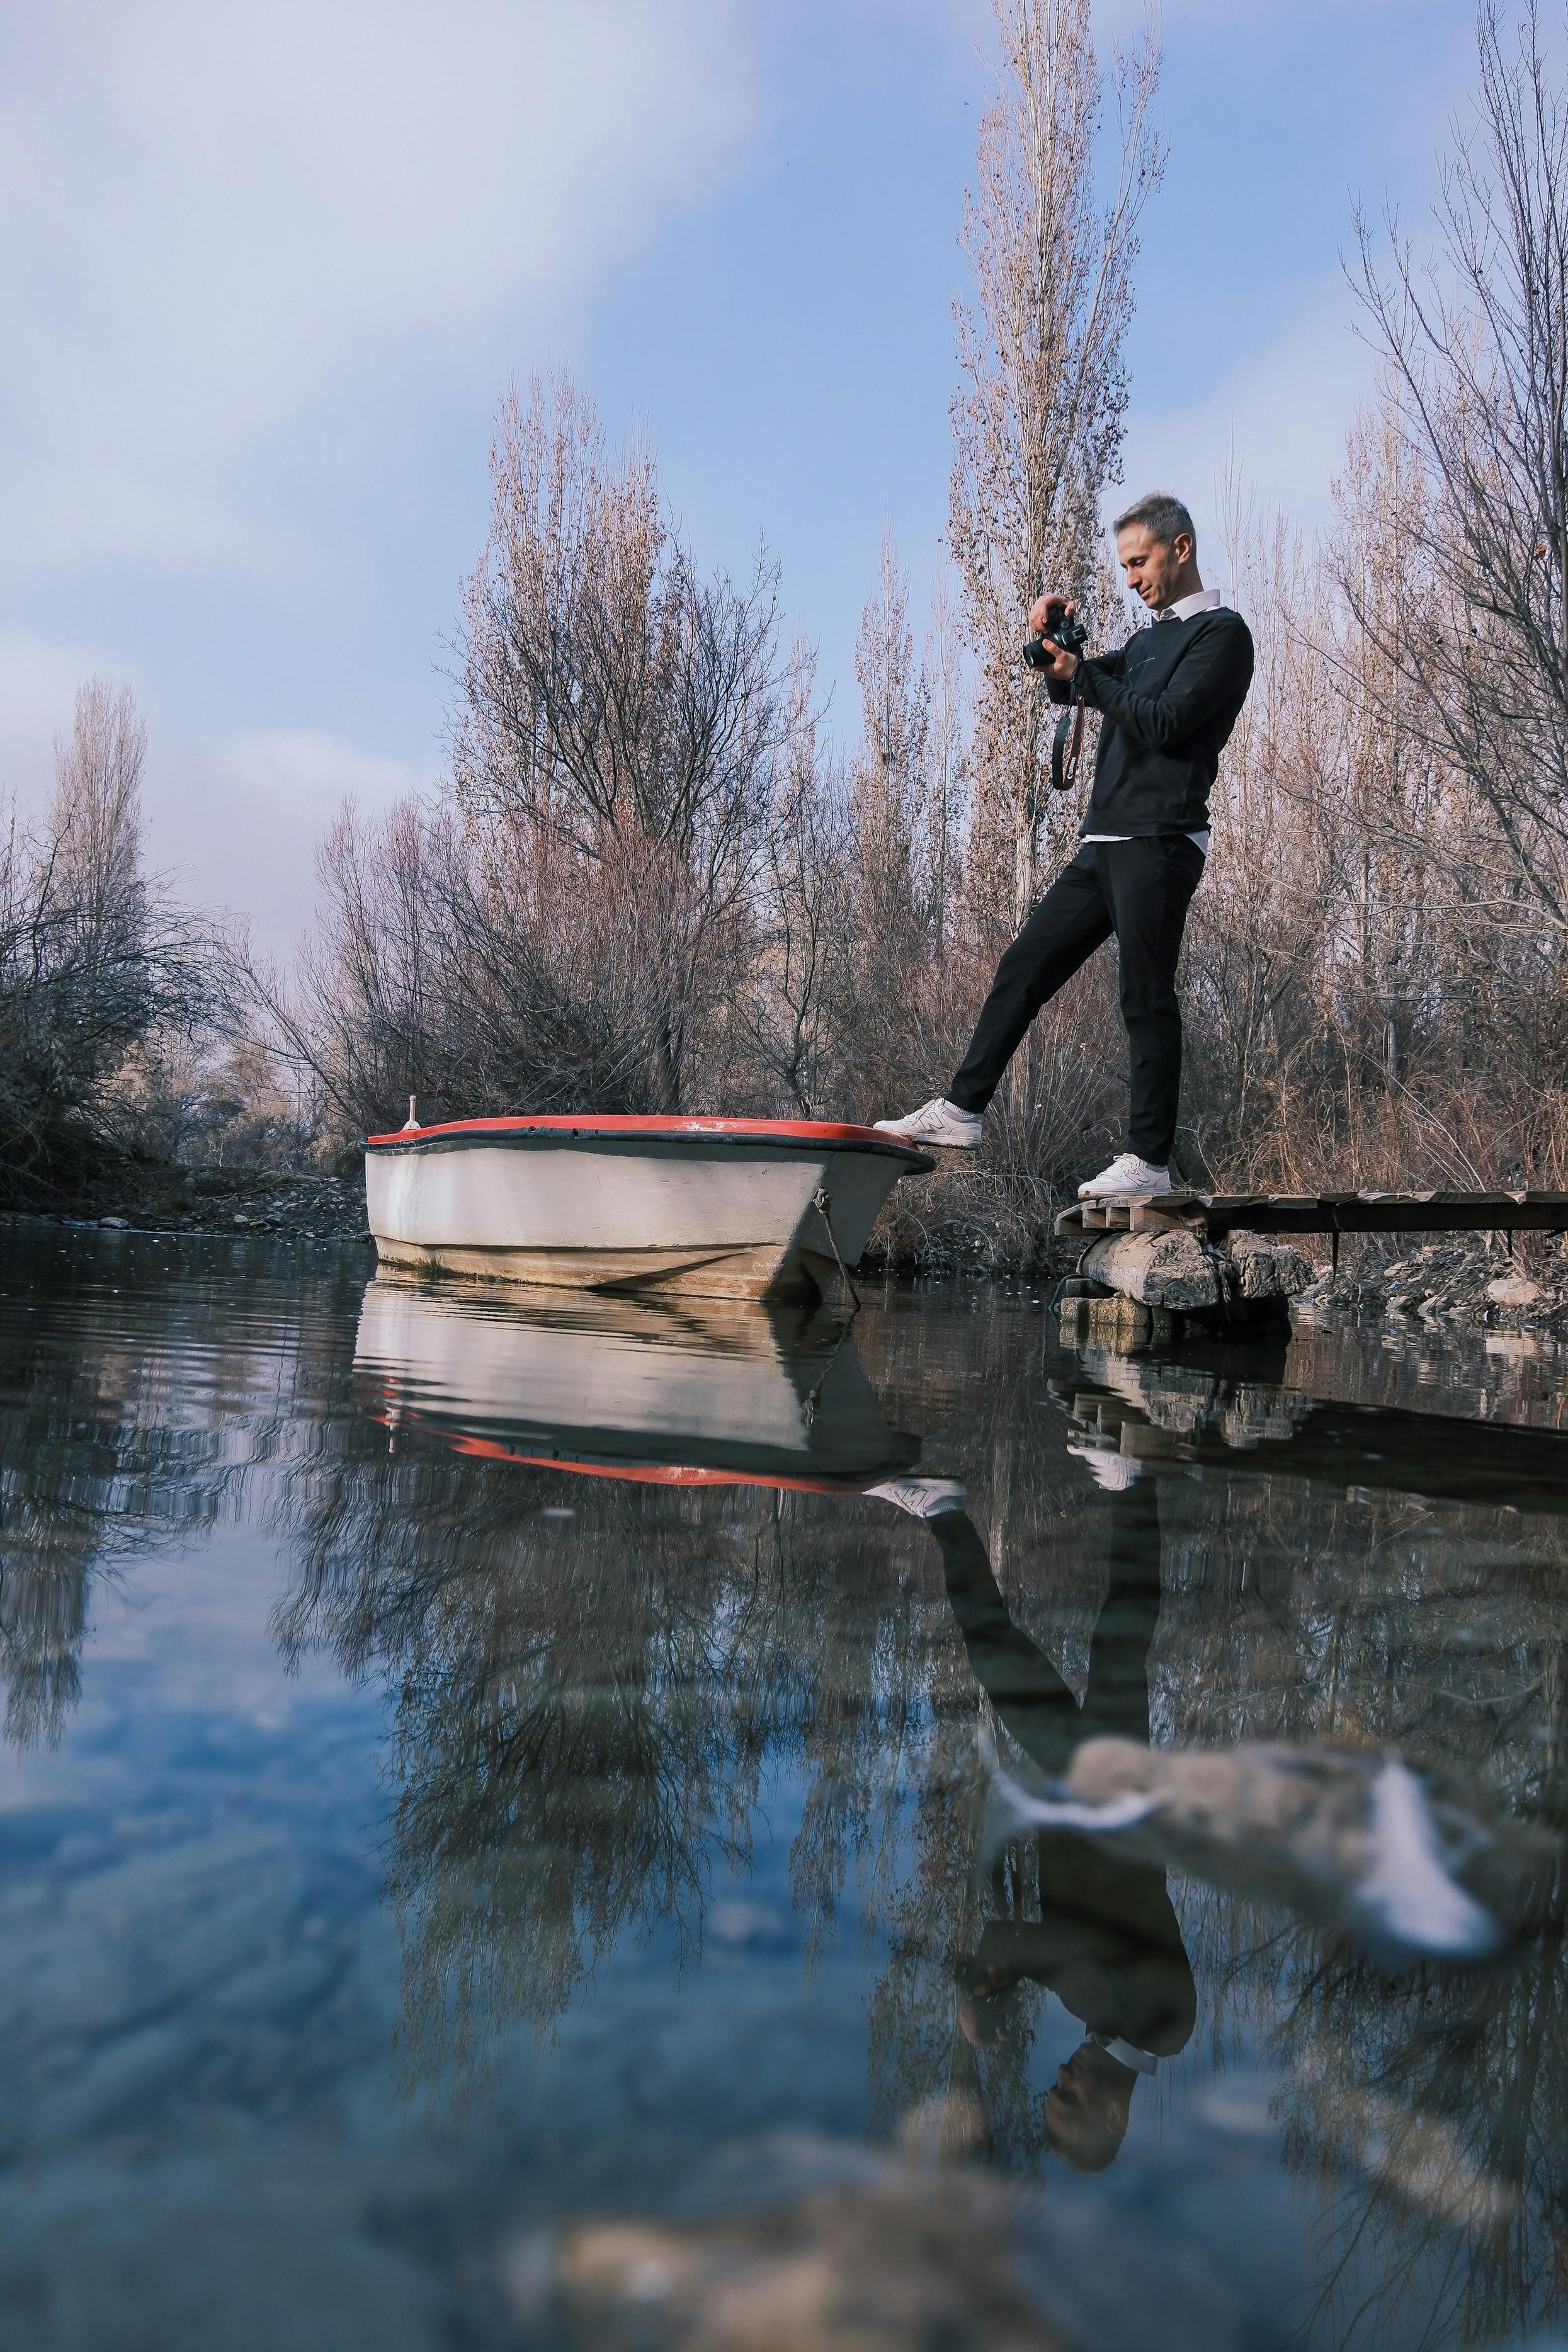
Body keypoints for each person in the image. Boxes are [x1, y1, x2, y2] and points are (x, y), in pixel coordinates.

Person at [874, 492, 1255, 1200]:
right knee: (1026, 964)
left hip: (1163, 838)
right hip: (1105, 839)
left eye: (1139, 561)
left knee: (1144, 995)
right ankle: (961, 1110)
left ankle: (1149, 1161)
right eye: (1123, 566)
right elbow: (1075, 683)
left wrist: (1084, 675)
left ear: (1181, 547)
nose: (1131, 578)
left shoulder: (1222, 635)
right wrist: (1058, 646)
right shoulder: (1145, 642)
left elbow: (1165, 722)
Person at [868, 1470, 1195, 2173]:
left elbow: (1036, 1947)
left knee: (1075, 1647)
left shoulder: (1103, 2014)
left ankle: (1102, 1486)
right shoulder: (1161, 2026)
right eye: (1072, 2098)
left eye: (1054, 2091)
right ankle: (968, 1505)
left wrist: (990, 1985)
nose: (1063, 2079)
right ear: (1111, 2113)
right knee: (1090, 1644)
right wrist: (987, 1993)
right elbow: (1049, 1942)